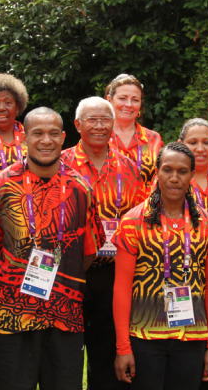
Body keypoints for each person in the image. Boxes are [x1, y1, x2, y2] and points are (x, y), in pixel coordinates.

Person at [0, 107, 103, 390]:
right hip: (12, 314)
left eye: (53, 133)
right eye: (38, 133)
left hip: (65, 315)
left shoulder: (81, 188)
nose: (46, 140)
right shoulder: (0, 186)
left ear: (63, 138)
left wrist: (59, 277)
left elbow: (89, 251)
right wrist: (17, 271)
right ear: (24, 137)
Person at [113, 143, 208, 390]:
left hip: (193, 338)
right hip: (144, 337)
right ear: (157, 174)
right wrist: (123, 347)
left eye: (182, 171)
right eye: (167, 170)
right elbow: (122, 286)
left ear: (192, 176)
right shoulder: (133, 222)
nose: (174, 178)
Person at [61, 97, 146, 390]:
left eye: (105, 120)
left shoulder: (130, 168)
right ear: (77, 125)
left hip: (113, 273)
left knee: (107, 353)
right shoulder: (61, 165)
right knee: (66, 353)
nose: (99, 126)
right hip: (70, 273)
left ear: (113, 125)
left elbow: (139, 220)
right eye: (92, 120)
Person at [105, 74, 164, 195]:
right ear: (109, 100)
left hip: (146, 211)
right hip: (106, 212)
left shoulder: (154, 139)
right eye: (122, 98)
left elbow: (162, 178)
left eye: (135, 100)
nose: (129, 104)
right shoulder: (99, 136)